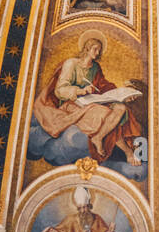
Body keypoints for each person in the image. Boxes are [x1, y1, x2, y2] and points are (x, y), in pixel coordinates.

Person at [32, 35, 142, 165]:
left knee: (121, 108)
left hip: (92, 102)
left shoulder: (95, 67)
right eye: (95, 49)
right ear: (87, 48)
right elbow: (60, 90)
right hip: (72, 105)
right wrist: (80, 91)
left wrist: (123, 94)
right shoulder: (71, 64)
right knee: (106, 116)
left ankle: (98, 137)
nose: (98, 53)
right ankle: (127, 152)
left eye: (99, 50)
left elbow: (104, 86)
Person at [33, 186, 129, 232]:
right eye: (80, 208)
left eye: (85, 207)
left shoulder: (97, 219)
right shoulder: (70, 220)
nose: (83, 211)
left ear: (89, 206)